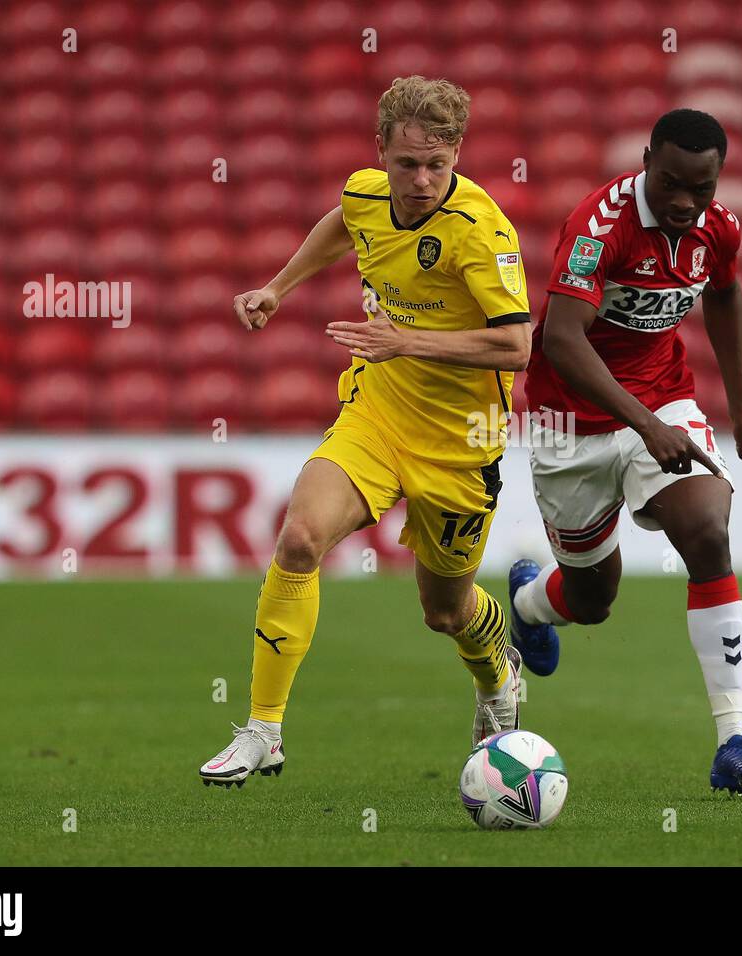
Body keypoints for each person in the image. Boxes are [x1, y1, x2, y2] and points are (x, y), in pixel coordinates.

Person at [199, 76, 531, 787]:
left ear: (457, 157)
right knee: (299, 538)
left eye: (436, 165)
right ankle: (264, 729)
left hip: (460, 443)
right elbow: (340, 224)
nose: (420, 180)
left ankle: (498, 672)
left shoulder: (482, 232)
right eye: (406, 163)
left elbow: (517, 347)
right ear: (380, 150)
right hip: (376, 414)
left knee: (444, 613)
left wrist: (407, 341)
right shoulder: (365, 193)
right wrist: (276, 288)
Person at [508, 109, 742, 794]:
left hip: (663, 401)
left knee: (707, 531)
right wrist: (641, 425)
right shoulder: (598, 224)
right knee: (594, 597)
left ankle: (734, 744)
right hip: (567, 426)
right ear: (645, 160)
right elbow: (564, 339)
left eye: (703, 189)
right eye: (671, 184)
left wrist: (741, 410)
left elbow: (724, 295)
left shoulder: (717, 228)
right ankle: (531, 604)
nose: (686, 203)